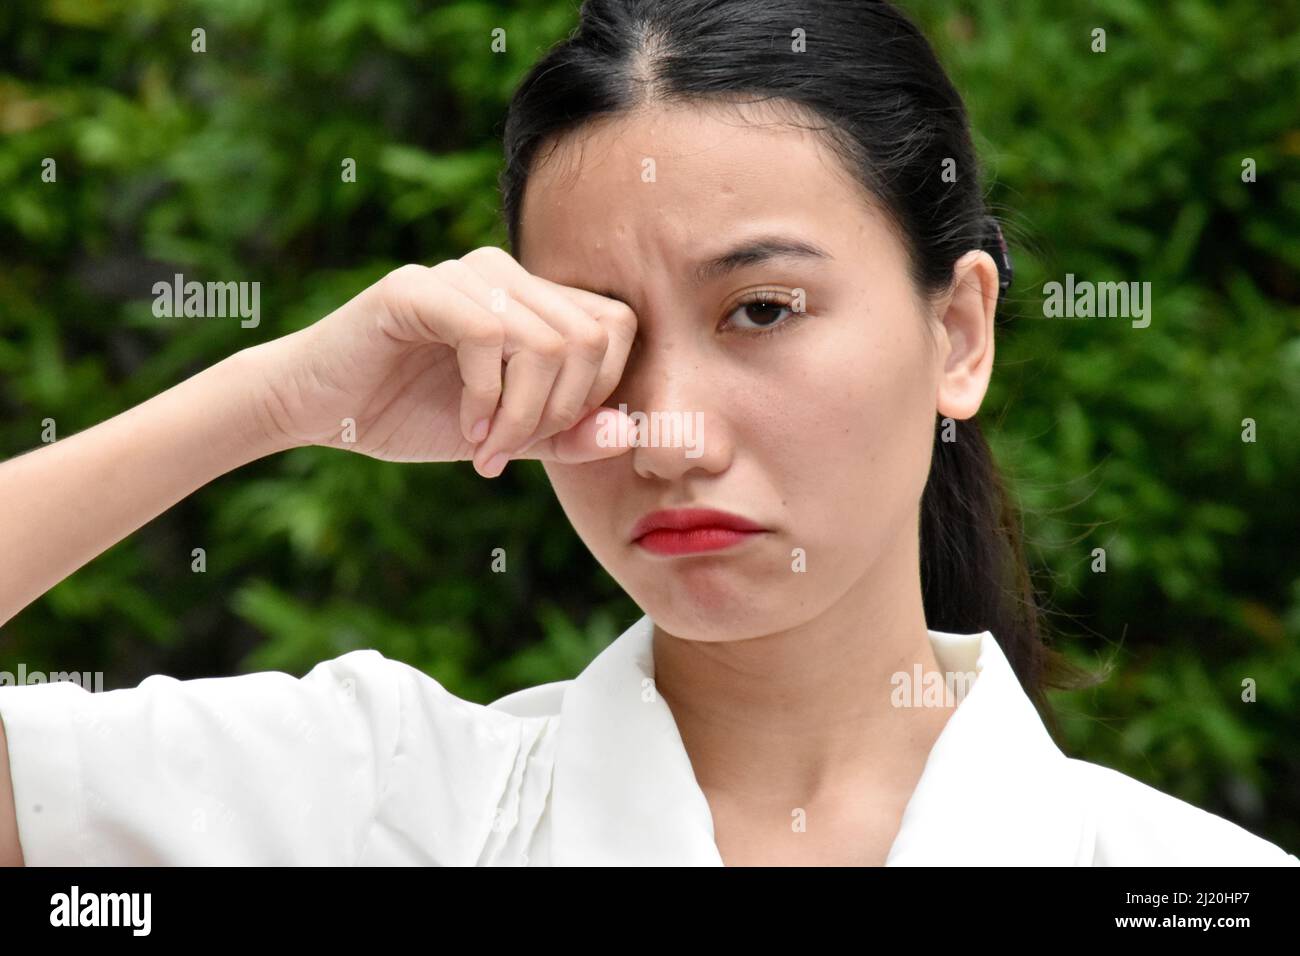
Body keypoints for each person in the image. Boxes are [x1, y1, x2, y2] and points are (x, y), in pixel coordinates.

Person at [0, 0, 1295, 867]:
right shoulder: (380, 803)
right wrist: (281, 398)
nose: (667, 433)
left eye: (762, 309)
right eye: (602, 335)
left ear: (958, 334)